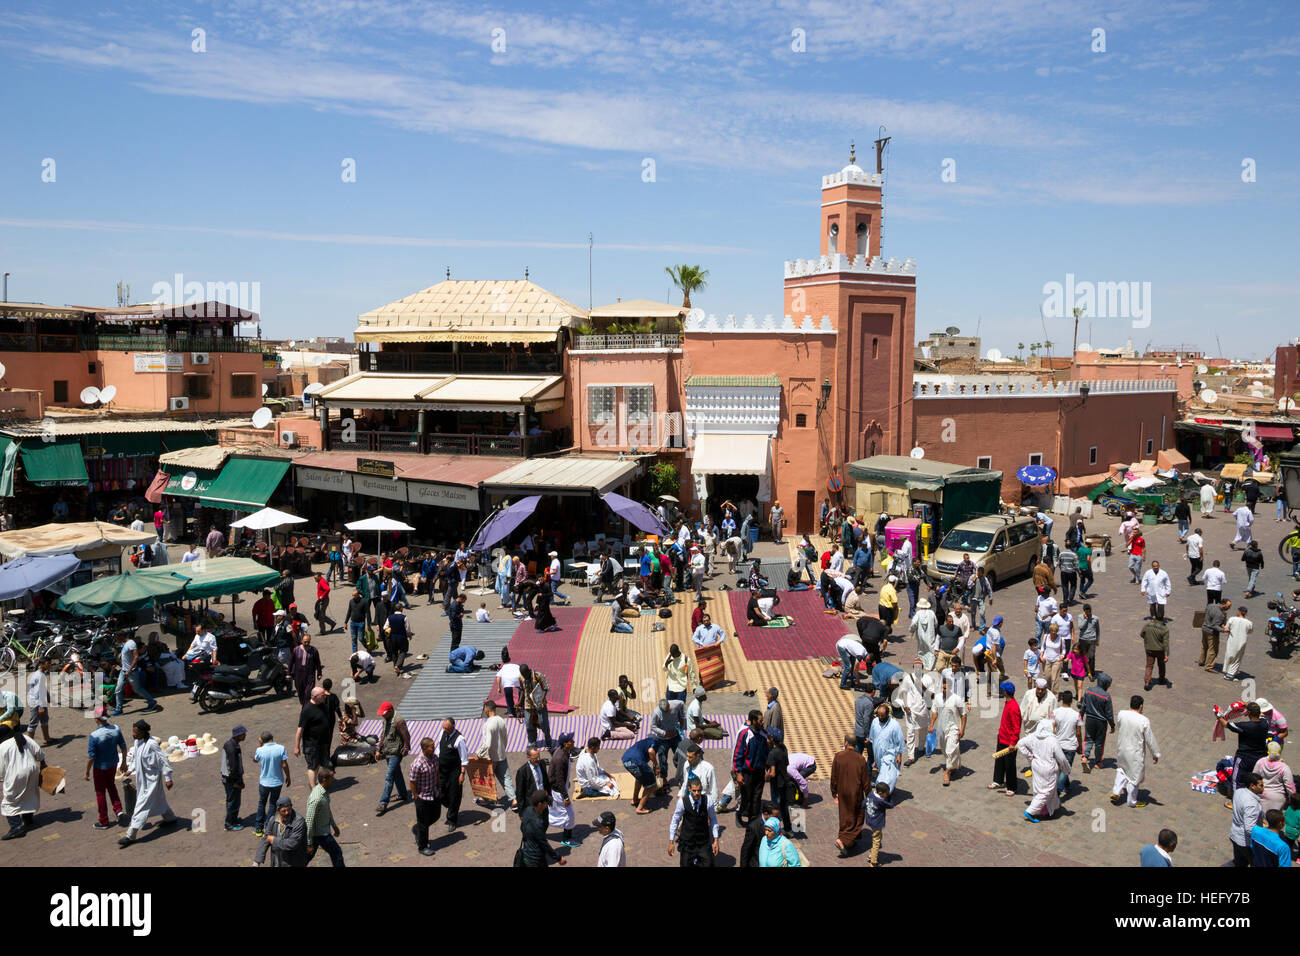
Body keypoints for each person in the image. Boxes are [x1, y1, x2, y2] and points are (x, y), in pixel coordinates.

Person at [118, 720, 178, 846]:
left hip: (152, 781)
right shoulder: (137, 742)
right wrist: (131, 769)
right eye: (133, 732)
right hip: (142, 779)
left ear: (143, 732)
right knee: (159, 799)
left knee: (141, 806)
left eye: (136, 732)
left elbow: (163, 761)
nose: (133, 734)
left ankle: (131, 835)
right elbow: (136, 757)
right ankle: (170, 818)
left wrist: (168, 778)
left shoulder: (152, 744)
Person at [1111, 696, 1160, 809]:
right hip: (1135, 752)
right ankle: (1132, 801)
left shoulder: (1122, 714)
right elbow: (1150, 739)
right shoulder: (1143, 720)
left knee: (1122, 769)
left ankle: (1116, 791)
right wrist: (1155, 754)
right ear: (1141, 706)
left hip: (1122, 748)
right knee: (1135, 776)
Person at [1018, 722, 1071, 823]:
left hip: (1036, 767)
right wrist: (1066, 769)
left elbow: (1020, 743)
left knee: (1039, 789)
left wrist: (1030, 757)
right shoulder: (1052, 740)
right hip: (1049, 770)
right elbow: (1061, 758)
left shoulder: (1033, 736)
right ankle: (1031, 811)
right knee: (1047, 791)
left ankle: (1048, 810)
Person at [1219, 701, 1270, 793]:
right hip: (1259, 758)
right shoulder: (1265, 723)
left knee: (1237, 780)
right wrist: (1249, 706)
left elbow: (1226, 724)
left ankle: (1235, 800)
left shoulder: (1245, 726)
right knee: (1253, 778)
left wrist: (1218, 715)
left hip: (1244, 758)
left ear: (1248, 713)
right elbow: (1262, 715)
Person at [477, 700, 516, 810]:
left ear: (487, 709)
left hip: (491, 757)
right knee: (506, 778)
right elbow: (505, 738)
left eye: (484, 708)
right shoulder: (501, 721)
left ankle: (486, 798)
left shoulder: (488, 724)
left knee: (488, 778)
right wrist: (503, 749)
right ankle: (513, 799)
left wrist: (479, 754)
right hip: (501, 754)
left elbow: (487, 743)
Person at [732, 709, 769, 826]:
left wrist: (767, 769)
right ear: (753, 721)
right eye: (760, 720)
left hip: (760, 772)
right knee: (746, 797)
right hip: (747, 773)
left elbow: (766, 753)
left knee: (757, 797)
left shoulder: (764, 734)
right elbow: (738, 755)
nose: (762, 722)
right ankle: (739, 815)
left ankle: (753, 821)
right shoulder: (745, 734)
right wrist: (739, 773)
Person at [374, 702, 411, 816]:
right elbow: (383, 734)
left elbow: (406, 736)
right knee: (396, 773)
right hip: (388, 751)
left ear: (390, 711)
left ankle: (383, 802)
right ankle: (403, 794)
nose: (382, 716)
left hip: (396, 753)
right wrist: (379, 749)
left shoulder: (399, 721)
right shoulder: (386, 718)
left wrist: (406, 748)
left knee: (389, 777)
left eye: (384, 713)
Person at [434, 718, 469, 833]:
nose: (444, 730)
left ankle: (452, 820)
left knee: (454, 795)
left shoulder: (459, 739)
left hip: (454, 772)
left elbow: (464, 759)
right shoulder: (442, 733)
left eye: (446, 728)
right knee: (441, 793)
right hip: (442, 770)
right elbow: (438, 749)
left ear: (453, 726)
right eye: (443, 727)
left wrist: (462, 774)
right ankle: (451, 807)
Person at [408, 737, 441, 857]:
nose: (434, 748)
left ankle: (419, 829)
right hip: (422, 798)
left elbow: (437, 773)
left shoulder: (435, 758)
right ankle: (422, 846)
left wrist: (439, 788)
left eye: (433, 746)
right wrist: (416, 796)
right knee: (423, 823)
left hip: (434, 794)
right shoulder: (417, 764)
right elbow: (412, 782)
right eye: (431, 746)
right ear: (424, 749)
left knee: (436, 816)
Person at [295, 687, 333, 790]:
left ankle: (317, 783)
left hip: (323, 742)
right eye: (323, 695)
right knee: (312, 765)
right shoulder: (307, 710)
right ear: (315, 697)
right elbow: (300, 730)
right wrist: (296, 747)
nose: (325, 696)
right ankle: (313, 788)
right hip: (311, 744)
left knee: (319, 764)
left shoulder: (323, 705)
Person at [305, 768, 345, 867]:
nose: (334, 780)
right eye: (332, 778)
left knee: (306, 857)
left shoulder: (324, 791)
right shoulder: (316, 798)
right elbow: (309, 821)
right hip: (320, 834)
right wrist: (309, 843)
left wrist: (334, 825)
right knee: (337, 853)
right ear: (324, 780)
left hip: (321, 831)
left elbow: (326, 810)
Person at [1080, 672, 1116, 773]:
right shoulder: (1106, 696)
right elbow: (1109, 713)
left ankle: (1085, 757)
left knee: (1088, 739)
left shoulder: (1088, 691)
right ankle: (1098, 762)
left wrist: (1081, 715)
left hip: (1090, 719)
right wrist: (1112, 725)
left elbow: (1083, 705)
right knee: (1099, 743)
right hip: (1101, 722)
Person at [547, 733, 579, 847]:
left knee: (557, 812)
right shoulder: (561, 758)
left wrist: (567, 782)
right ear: (565, 744)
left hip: (559, 789)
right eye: (571, 740)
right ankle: (566, 839)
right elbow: (559, 779)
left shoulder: (562, 751)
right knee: (569, 814)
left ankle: (541, 823)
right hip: (559, 791)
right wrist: (565, 796)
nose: (573, 741)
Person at [519, 790, 565, 867]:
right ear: (540, 804)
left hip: (526, 852)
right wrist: (558, 858)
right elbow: (544, 844)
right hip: (536, 859)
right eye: (546, 802)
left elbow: (522, 828)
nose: (547, 804)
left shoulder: (528, 810)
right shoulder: (537, 823)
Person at [868, 699, 905, 795]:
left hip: (890, 755)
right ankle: (887, 791)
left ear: (887, 714)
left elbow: (900, 741)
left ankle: (884, 793)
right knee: (884, 774)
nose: (880, 717)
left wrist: (899, 755)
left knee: (884, 776)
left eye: (882, 716)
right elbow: (872, 737)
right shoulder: (875, 722)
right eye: (879, 715)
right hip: (878, 754)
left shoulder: (894, 725)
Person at [1230, 772, 1265, 867]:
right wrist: (1264, 833)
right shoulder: (1252, 804)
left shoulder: (1239, 791)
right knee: (1255, 862)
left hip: (1234, 834)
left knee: (1239, 862)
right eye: (1261, 785)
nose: (1263, 787)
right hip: (1245, 842)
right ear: (1252, 786)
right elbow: (1249, 828)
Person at [621, 736, 660, 814]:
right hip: (636, 761)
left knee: (639, 778)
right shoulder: (655, 742)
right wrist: (656, 765)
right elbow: (651, 751)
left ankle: (635, 799)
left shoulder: (644, 742)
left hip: (626, 760)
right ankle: (640, 808)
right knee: (651, 785)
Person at [1255, 741, 1295, 814]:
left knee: (1261, 820)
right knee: (1273, 821)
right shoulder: (1284, 767)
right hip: (1277, 799)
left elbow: (1254, 778)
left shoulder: (1260, 762)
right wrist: (1293, 801)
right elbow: (1290, 787)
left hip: (1261, 795)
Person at [221, 725, 247, 831]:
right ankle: (229, 824)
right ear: (238, 735)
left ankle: (233, 819)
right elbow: (233, 767)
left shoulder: (231, 744)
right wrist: (238, 782)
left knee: (233, 800)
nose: (245, 735)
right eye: (243, 734)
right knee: (233, 801)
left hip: (229, 778)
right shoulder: (232, 747)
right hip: (231, 780)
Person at [521, 664, 553, 752]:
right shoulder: (521, 678)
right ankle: (532, 742)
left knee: (543, 723)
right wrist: (519, 703)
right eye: (522, 675)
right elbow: (522, 690)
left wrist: (540, 699)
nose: (524, 677)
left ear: (528, 671)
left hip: (539, 704)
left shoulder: (538, 675)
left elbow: (546, 688)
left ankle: (548, 740)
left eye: (525, 675)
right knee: (528, 723)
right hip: (528, 704)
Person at [290, 633, 323, 705]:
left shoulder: (314, 650)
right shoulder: (296, 650)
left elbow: (318, 663)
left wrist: (319, 673)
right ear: (302, 641)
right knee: (300, 691)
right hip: (299, 675)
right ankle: (304, 704)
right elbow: (291, 662)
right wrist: (288, 674)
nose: (306, 643)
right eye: (305, 641)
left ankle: (305, 707)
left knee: (308, 693)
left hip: (310, 675)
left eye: (308, 641)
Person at [1140, 614, 1171, 692]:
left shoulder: (1148, 625)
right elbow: (1166, 643)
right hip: (1160, 650)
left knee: (1149, 666)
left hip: (1149, 649)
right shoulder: (1165, 629)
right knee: (1161, 665)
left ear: (1155, 618)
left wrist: (1147, 640)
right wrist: (1167, 655)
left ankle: (1147, 682)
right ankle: (1161, 679)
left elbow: (1141, 634)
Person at [1223, 605, 1253, 681]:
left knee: (1229, 655)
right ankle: (1230, 674)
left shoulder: (1232, 619)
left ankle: (1227, 672)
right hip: (1242, 642)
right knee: (1237, 658)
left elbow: (1227, 628)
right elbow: (1250, 631)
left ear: (1239, 612)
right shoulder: (1249, 623)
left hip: (1232, 641)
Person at [910, 597, 938, 671]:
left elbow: (913, 624)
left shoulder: (918, 613)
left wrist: (911, 631)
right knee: (931, 650)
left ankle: (923, 664)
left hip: (920, 635)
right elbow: (936, 623)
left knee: (921, 649)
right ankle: (930, 666)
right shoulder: (931, 613)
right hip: (930, 634)